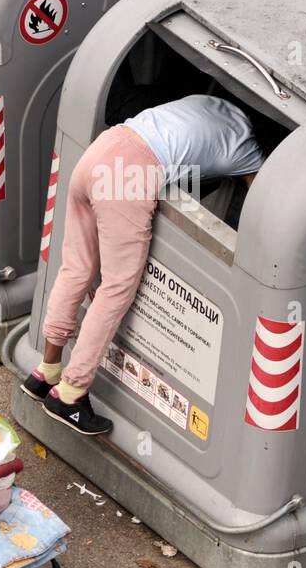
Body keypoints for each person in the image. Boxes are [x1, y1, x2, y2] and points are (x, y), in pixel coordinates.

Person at [21, 94, 265, 435]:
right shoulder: (247, 149)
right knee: (117, 287)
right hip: (132, 172)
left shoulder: (210, 101)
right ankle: (71, 394)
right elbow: (261, 215)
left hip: (102, 149)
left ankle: (46, 372)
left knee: (76, 267)